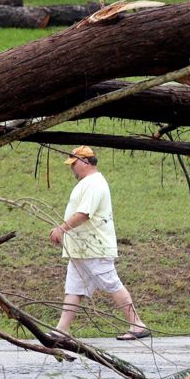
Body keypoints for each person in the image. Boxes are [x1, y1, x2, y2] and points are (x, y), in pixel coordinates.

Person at [47, 146, 150, 341]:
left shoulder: (94, 184)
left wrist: (61, 229)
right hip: (81, 248)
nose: (72, 169)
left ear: (85, 162)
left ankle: (137, 324)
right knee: (74, 288)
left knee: (111, 283)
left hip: (94, 247)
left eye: (74, 164)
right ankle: (62, 330)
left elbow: (84, 214)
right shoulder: (88, 183)